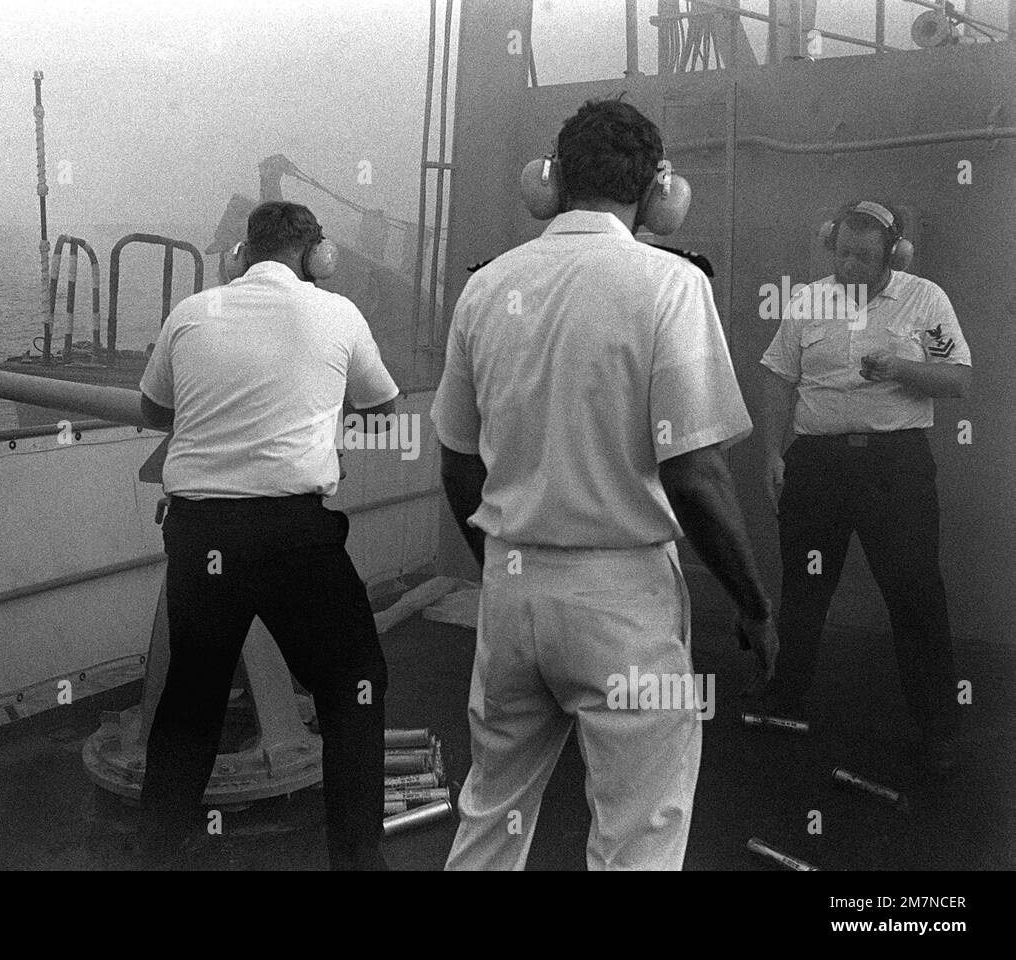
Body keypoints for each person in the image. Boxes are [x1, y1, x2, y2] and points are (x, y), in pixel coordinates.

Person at [431, 98, 778, 871]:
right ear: (661, 192)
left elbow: (456, 460)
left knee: (492, 817)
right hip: (622, 602)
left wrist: (500, 567)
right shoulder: (669, 286)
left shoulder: (487, 287)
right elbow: (695, 471)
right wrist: (754, 604)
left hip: (511, 589)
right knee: (637, 837)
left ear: (549, 184)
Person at [137, 200, 400, 870]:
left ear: (241, 256)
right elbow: (384, 403)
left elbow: (151, 407)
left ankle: (154, 856)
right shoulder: (337, 313)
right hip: (295, 537)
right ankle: (358, 862)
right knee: (354, 685)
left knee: (192, 695)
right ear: (317, 256)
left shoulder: (193, 312)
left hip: (201, 535)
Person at [757, 199, 971, 772]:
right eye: (843, 253)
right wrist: (773, 455)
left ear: (892, 255)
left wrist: (901, 368)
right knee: (803, 587)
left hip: (893, 467)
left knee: (915, 594)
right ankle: (784, 699)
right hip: (816, 465)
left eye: (864, 256)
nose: (850, 265)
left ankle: (936, 728)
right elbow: (780, 379)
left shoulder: (925, 300)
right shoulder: (806, 301)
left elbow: (957, 380)